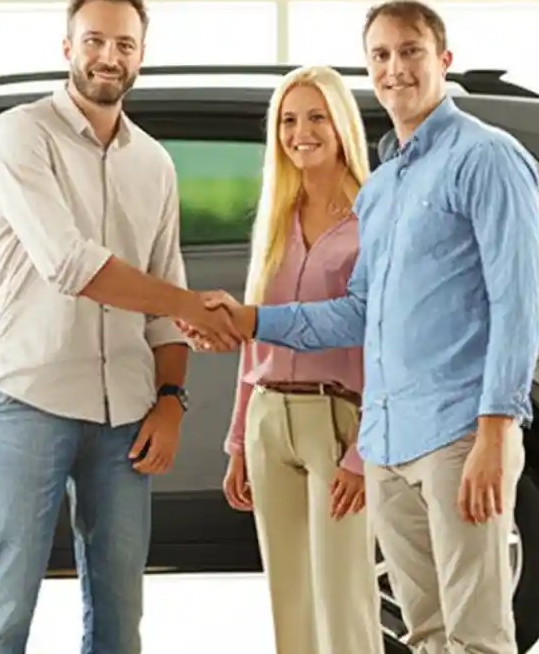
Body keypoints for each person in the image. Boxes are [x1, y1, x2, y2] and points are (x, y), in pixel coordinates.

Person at [196, 0, 539, 654]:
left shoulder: (487, 158)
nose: (395, 68)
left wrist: (497, 431)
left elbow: (516, 301)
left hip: (457, 436)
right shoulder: (381, 191)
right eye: (380, 56)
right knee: (426, 634)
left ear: (443, 59)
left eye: (410, 51)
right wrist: (250, 320)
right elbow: (356, 313)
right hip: (387, 444)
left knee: (478, 635)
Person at [0, 0, 241, 654]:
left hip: (128, 417)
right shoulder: (20, 135)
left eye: (124, 44)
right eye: (94, 41)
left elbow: (163, 289)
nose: (108, 56)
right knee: (6, 607)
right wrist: (188, 307)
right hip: (31, 398)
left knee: (121, 616)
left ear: (141, 56)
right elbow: (69, 263)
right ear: (68, 47)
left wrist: (172, 399)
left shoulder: (154, 163)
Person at [219, 64, 384, 654]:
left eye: (316, 116)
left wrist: (364, 454)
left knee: (345, 603)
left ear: (341, 125)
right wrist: (239, 442)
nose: (301, 131)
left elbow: (382, 343)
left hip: (339, 425)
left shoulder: (374, 220)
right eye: (288, 120)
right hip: (269, 423)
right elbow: (252, 337)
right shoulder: (275, 219)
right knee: (290, 608)